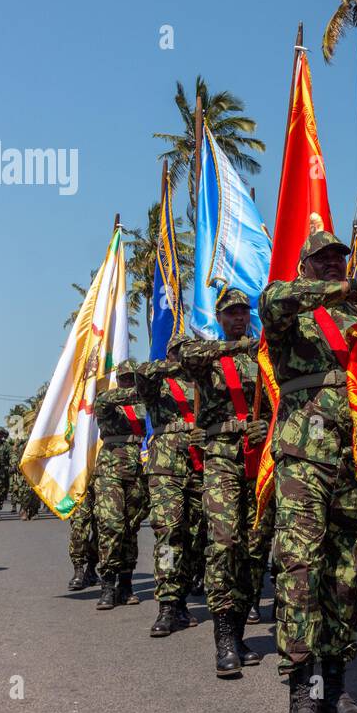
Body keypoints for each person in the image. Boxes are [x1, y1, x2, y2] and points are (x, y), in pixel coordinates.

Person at [261, 231, 357, 713]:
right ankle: (302, 691)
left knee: (346, 576)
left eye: (339, 260)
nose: (333, 265)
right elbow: (272, 299)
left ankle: (335, 682)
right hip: (303, 456)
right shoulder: (290, 310)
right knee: (300, 570)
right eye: (323, 259)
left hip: (356, 458)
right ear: (306, 264)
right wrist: (342, 292)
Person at [179, 289, 271, 678]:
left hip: (258, 456)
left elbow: (280, 399)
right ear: (218, 317)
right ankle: (224, 638)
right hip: (221, 458)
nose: (238, 318)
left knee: (255, 546)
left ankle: (238, 630)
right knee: (225, 541)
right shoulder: (209, 357)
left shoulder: (263, 356)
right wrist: (231, 349)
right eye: (231, 313)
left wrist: (265, 424)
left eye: (243, 312)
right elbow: (183, 354)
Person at [134, 340, 206, 636]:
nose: (186, 355)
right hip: (166, 468)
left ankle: (181, 598)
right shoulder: (158, 385)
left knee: (194, 535)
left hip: (200, 465)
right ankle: (166, 603)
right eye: (179, 351)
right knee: (168, 533)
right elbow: (142, 374)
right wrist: (175, 365)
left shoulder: (204, 382)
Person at [91, 361, 149, 610]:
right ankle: (107, 583)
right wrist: (138, 391)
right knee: (111, 524)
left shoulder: (145, 405)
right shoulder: (108, 400)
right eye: (124, 378)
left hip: (138, 470)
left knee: (130, 528)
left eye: (132, 378)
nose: (128, 382)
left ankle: (126, 584)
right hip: (110, 471)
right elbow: (101, 405)